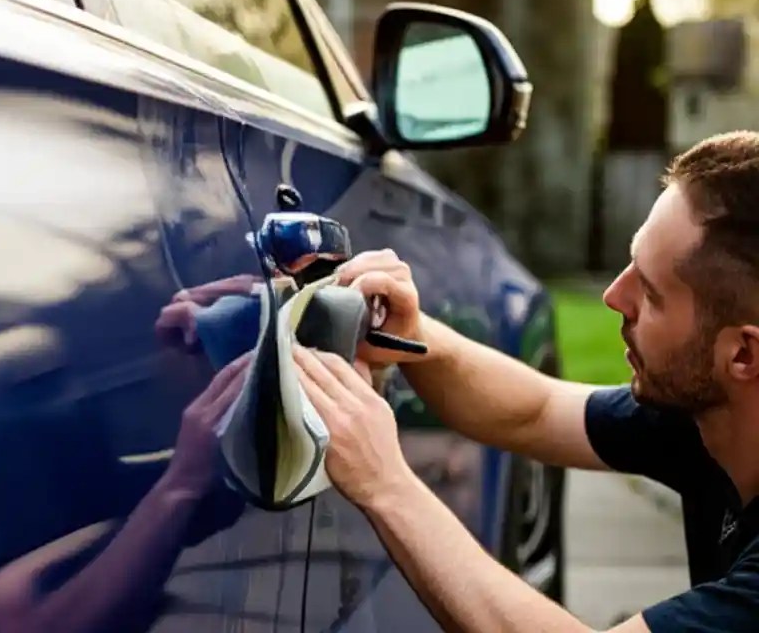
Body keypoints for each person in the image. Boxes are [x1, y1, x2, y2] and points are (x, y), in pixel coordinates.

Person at [296, 130, 759, 632]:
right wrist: (414, 335)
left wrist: (385, 483)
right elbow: (535, 410)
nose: (612, 295)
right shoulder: (709, 420)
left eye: (649, 294)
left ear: (743, 353)